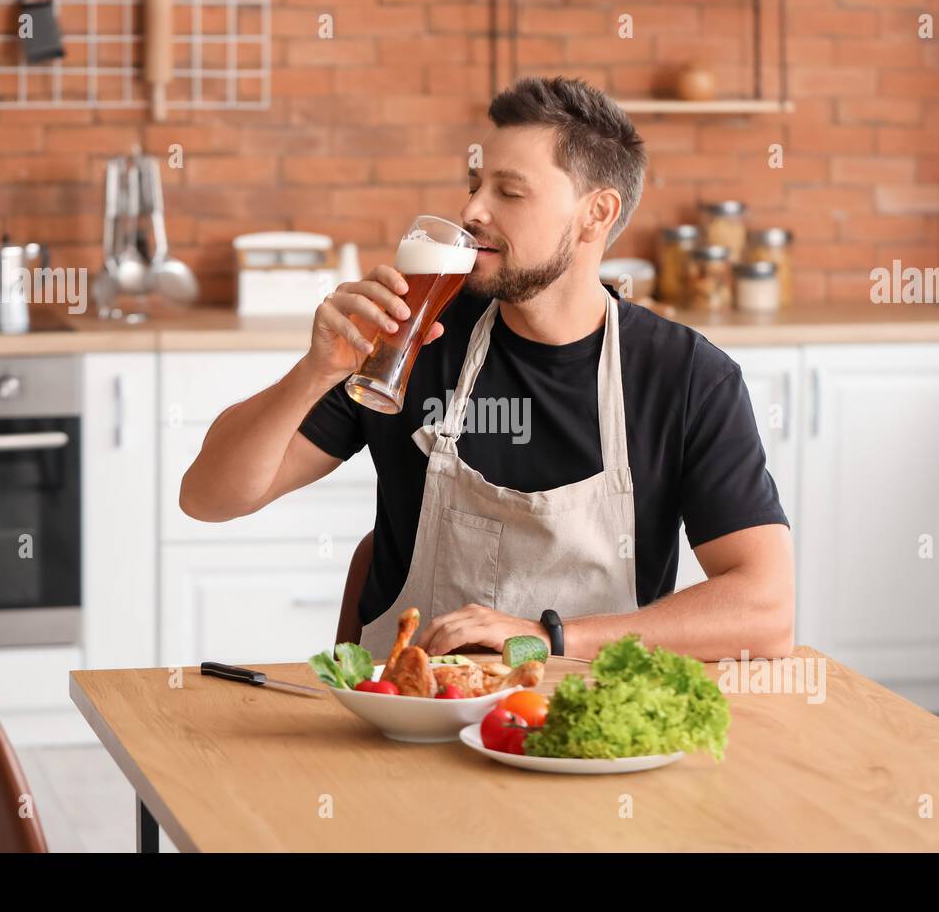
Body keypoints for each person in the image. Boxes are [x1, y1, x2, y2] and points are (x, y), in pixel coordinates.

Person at [180, 75, 794, 662]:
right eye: (474, 184)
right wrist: (316, 370)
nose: (472, 210)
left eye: (509, 191)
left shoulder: (685, 377)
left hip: (583, 728)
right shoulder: (416, 337)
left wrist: (546, 639)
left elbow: (766, 612)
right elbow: (209, 497)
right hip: (407, 714)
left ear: (596, 214)